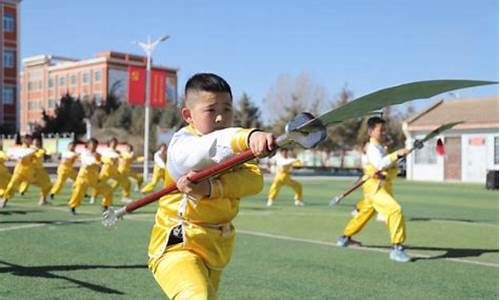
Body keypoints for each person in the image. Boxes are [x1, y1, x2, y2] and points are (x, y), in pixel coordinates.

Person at [147, 73, 275, 299]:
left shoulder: (235, 145)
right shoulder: (182, 145)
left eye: (227, 110)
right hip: (179, 244)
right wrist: (248, 136)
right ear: (188, 115)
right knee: (198, 296)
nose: (220, 118)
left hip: (216, 245)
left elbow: (254, 181)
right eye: (211, 110)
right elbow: (205, 151)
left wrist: (212, 188)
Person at [336, 116, 411, 262]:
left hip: (379, 187)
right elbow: (380, 164)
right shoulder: (372, 148)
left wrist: (397, 159)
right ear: (371, 131)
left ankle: (345, 237)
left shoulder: (380, 148)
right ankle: (397, 248)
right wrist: (396, 154)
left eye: (385, 130)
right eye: (381, 130)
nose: (384, 133)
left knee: (364, 215)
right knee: (395, 210)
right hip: (375, 188)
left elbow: (387, 167)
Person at [68, 138, 113, 215]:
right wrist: (97, 162)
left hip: (94, 178)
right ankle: (72, 207)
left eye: (95, 145)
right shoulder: (84, 153)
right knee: (78, 191)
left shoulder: (97, 154)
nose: (94, 147)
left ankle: (105, 206)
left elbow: (104, 159)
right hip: (83, 177)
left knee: (108, 189)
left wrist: (109, 161)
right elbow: (88, 161)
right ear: (88, 145)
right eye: (92, 145)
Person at [90, 138, 131, 203]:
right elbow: (104, 158)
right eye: (113, 143)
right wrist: (113, 158)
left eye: (116, 143)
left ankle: (125, 197)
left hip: (115, 171)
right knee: (99, 184)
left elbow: (125, 156)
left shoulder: (117, 151)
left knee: (127, 183)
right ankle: (93, 196)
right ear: (109, 143)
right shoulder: (106, 151)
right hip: (106, 171)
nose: (114, 144)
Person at [0, 135, 37, 208]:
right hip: (19, 170)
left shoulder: (33, 149)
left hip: (29, 171)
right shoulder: (20, 148)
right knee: (11, 185)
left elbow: (37, 157)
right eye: (27, 139)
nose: (29, 141)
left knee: (18, 185)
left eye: (30, 139)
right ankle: (4, 199)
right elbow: (13, 154)